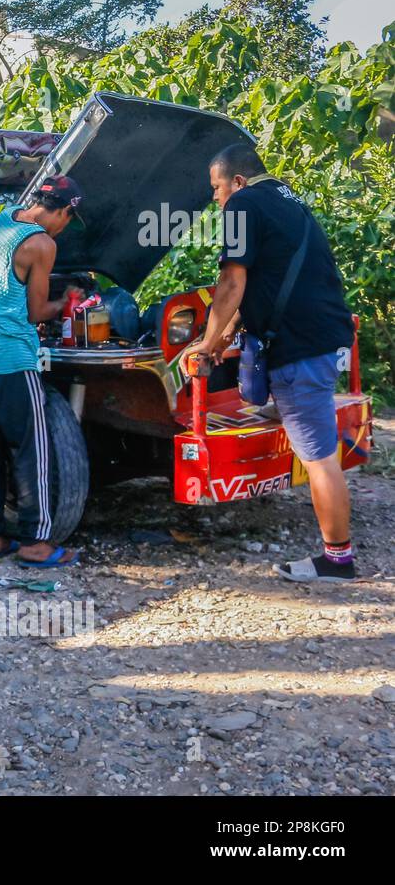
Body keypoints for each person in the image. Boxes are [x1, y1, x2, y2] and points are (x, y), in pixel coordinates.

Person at [190, 143, 357, 583]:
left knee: (320, 457)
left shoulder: (243, 206)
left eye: (217, 187)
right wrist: (232, 329)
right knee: (302, 423)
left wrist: (206, 346)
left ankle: (337, 560)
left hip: (299, 347)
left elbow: (231, 280)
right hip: (324, 336)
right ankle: (286, 412)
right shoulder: (288, 200)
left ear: (238, 182)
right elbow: (275, 277)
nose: (215, 197)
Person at [0, 176, 83, 568]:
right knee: (32, 451)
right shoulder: (42, 244)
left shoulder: (3, 220)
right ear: (62, 210)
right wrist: (66, 301)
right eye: (67, 219)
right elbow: (35, 313)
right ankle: (34, 543)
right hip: (11, 361)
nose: (64, 227)